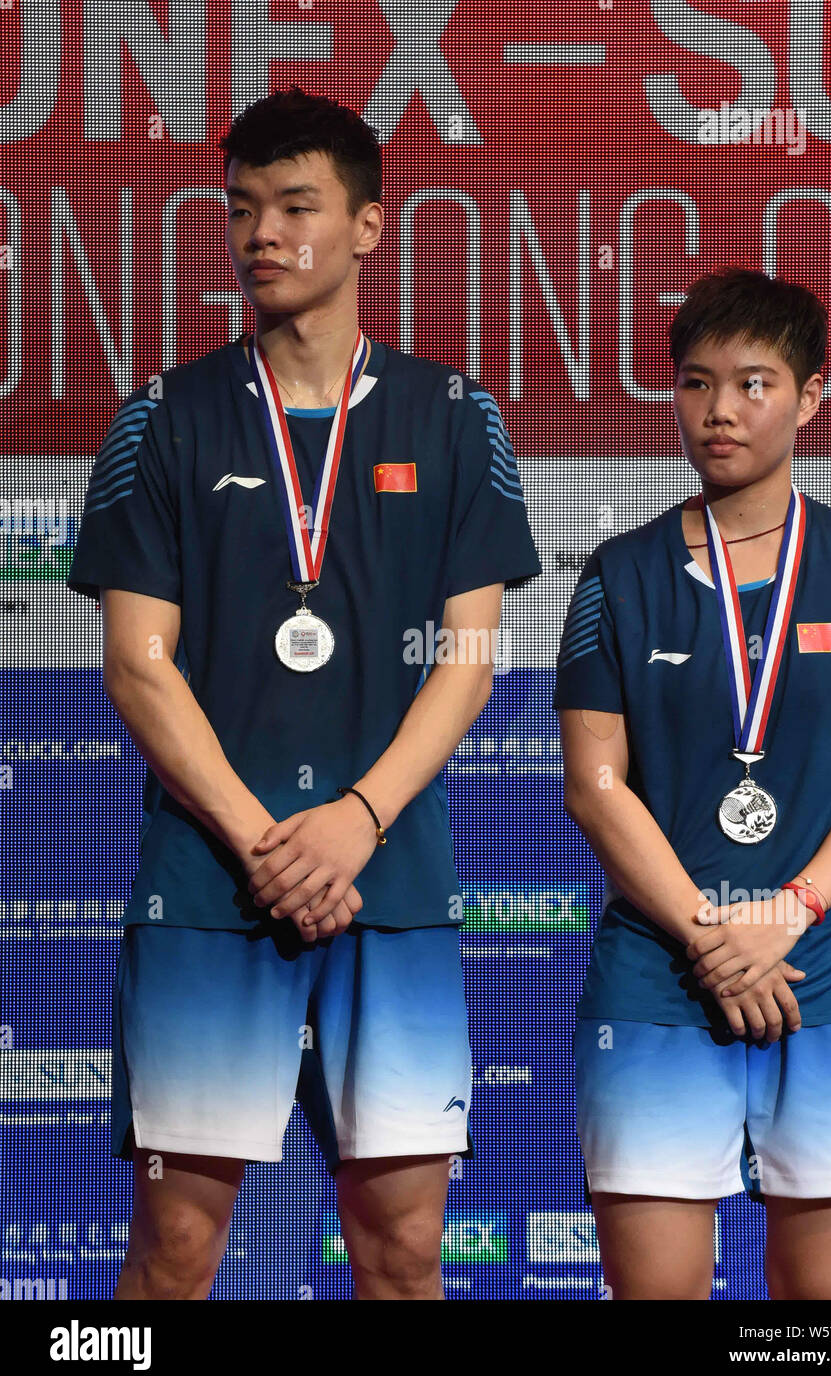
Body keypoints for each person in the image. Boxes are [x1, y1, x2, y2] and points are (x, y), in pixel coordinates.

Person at [66, 87, 541, 1300]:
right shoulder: (161, 419)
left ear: (369, 227)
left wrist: (357, 821)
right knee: (172, 1254)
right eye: (241, 210)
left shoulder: (455, 415)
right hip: (210, 885)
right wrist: (261, 838)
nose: (261, 234)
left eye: (295, 205)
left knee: (403, 1250)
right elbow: (137, 663)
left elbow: (471, 657)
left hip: (389, 884)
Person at [553, 266, 831, 1301]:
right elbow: (595, 785)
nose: (718, 410)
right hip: (660, 979)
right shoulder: (616, 574)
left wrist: (786, 915)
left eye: (752, 383)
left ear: (807, 397)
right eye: (695, 382)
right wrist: (715, 938)